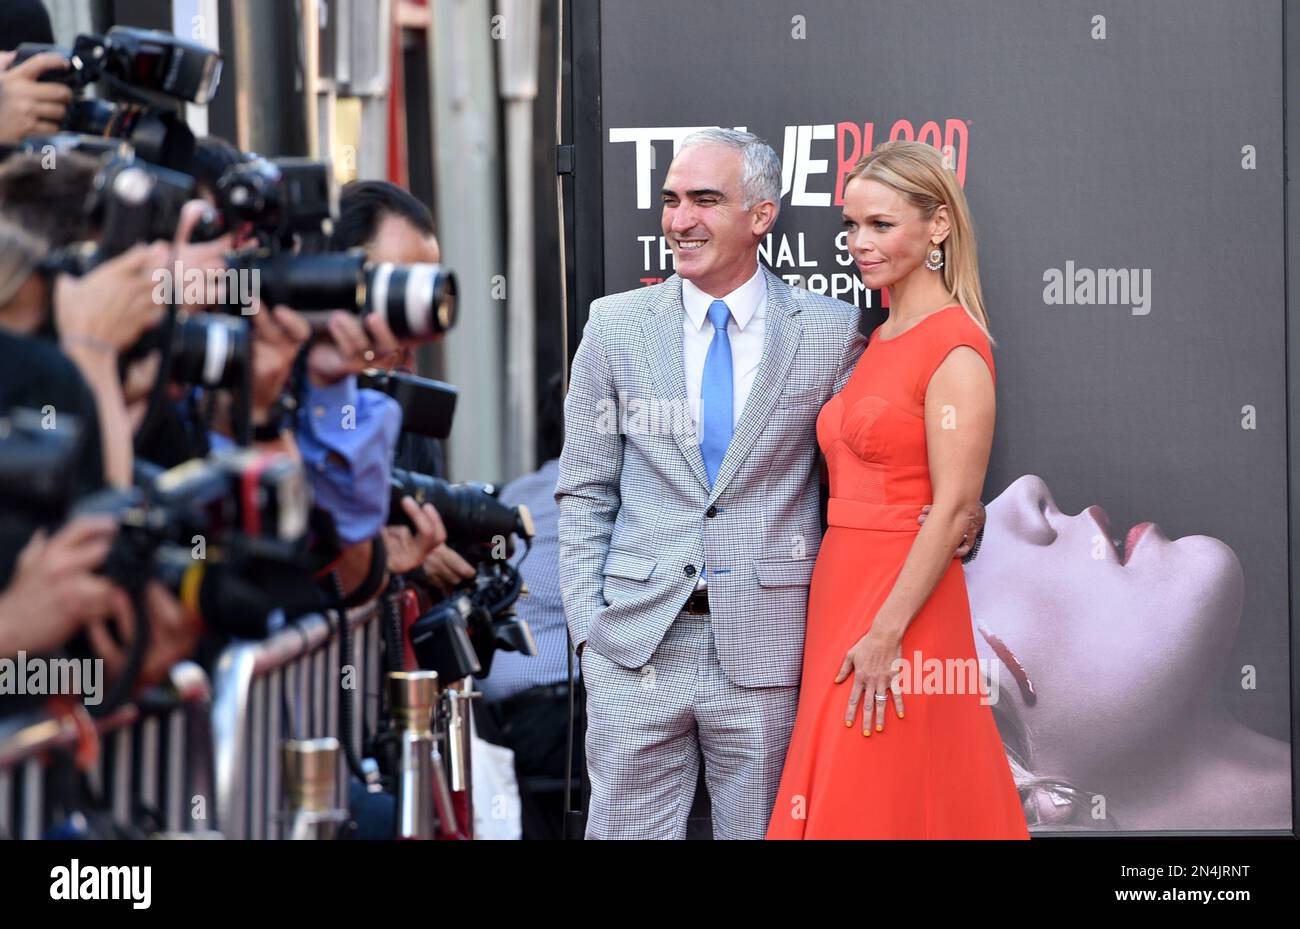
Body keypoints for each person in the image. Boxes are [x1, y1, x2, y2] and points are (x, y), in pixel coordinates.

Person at [556, 129, 981, 839]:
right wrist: (589, 635)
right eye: (670, 201)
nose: (679, 220)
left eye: (704, 200)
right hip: (633, 644)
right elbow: (585, 488)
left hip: (771, 649)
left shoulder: (831, 330)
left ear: (760, 216)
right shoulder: (614, 326)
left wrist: (960, 509)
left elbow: (876, 455)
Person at [765, 140, 1027, 839]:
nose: (858, 242)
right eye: (851, 226)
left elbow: (953, 512)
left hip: (902, 606)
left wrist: (887, 632)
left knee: (879, 793)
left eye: (880, 224)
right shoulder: (878, 339)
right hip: (839, 590)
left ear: (937, 225)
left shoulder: (957, 347)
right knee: (857, 794)